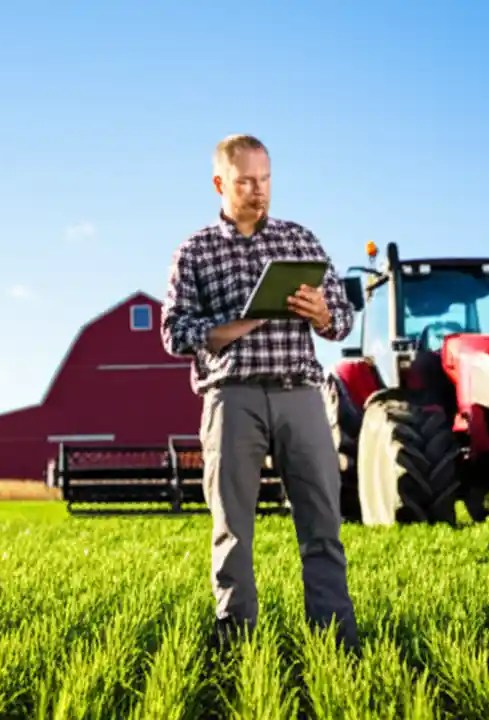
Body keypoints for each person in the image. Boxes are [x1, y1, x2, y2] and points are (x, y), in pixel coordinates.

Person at [160, 133, 360, 653]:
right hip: (232, 398)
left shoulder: (300, 241)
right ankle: (236, 642)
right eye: (246, 181)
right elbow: (174, 332)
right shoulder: (195, 251)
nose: (257, 190)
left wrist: (323, 314)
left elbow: (342, 321)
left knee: (323, 525)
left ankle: (337, 640)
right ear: (219, 183)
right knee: (233, 531)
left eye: (265, 179)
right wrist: (244, 320)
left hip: (301, 394)